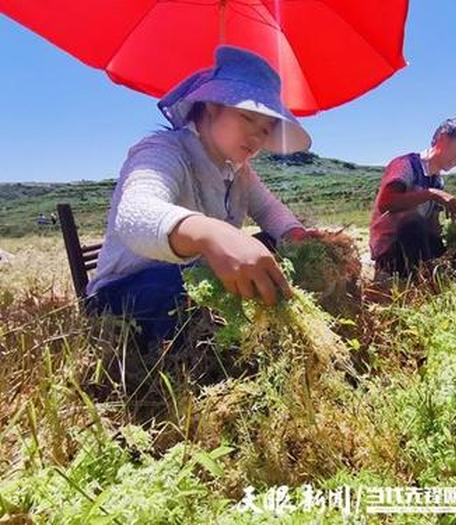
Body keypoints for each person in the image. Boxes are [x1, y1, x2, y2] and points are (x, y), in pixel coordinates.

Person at [86, 46, 312, 348]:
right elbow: (135, 213)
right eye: (247, 118)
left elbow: (269, 210)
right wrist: (209, 232)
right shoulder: (162, 149)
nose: (257, 137)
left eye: (266, 129)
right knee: (185, 298)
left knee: (275, 251)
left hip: (196, 276)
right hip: (130, 288)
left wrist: (295, 234)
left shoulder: (239, 171)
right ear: (211, 106)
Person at [369, 118, 456, 278]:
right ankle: (426, 279)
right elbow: (386, 203)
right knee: (412, 223)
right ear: (442, 139)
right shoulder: (406, 165)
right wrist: (431, 194)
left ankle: (454, 268)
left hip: (422, 247)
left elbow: (431, 223)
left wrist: (454, 231)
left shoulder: (437, 179)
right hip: (394, 251)